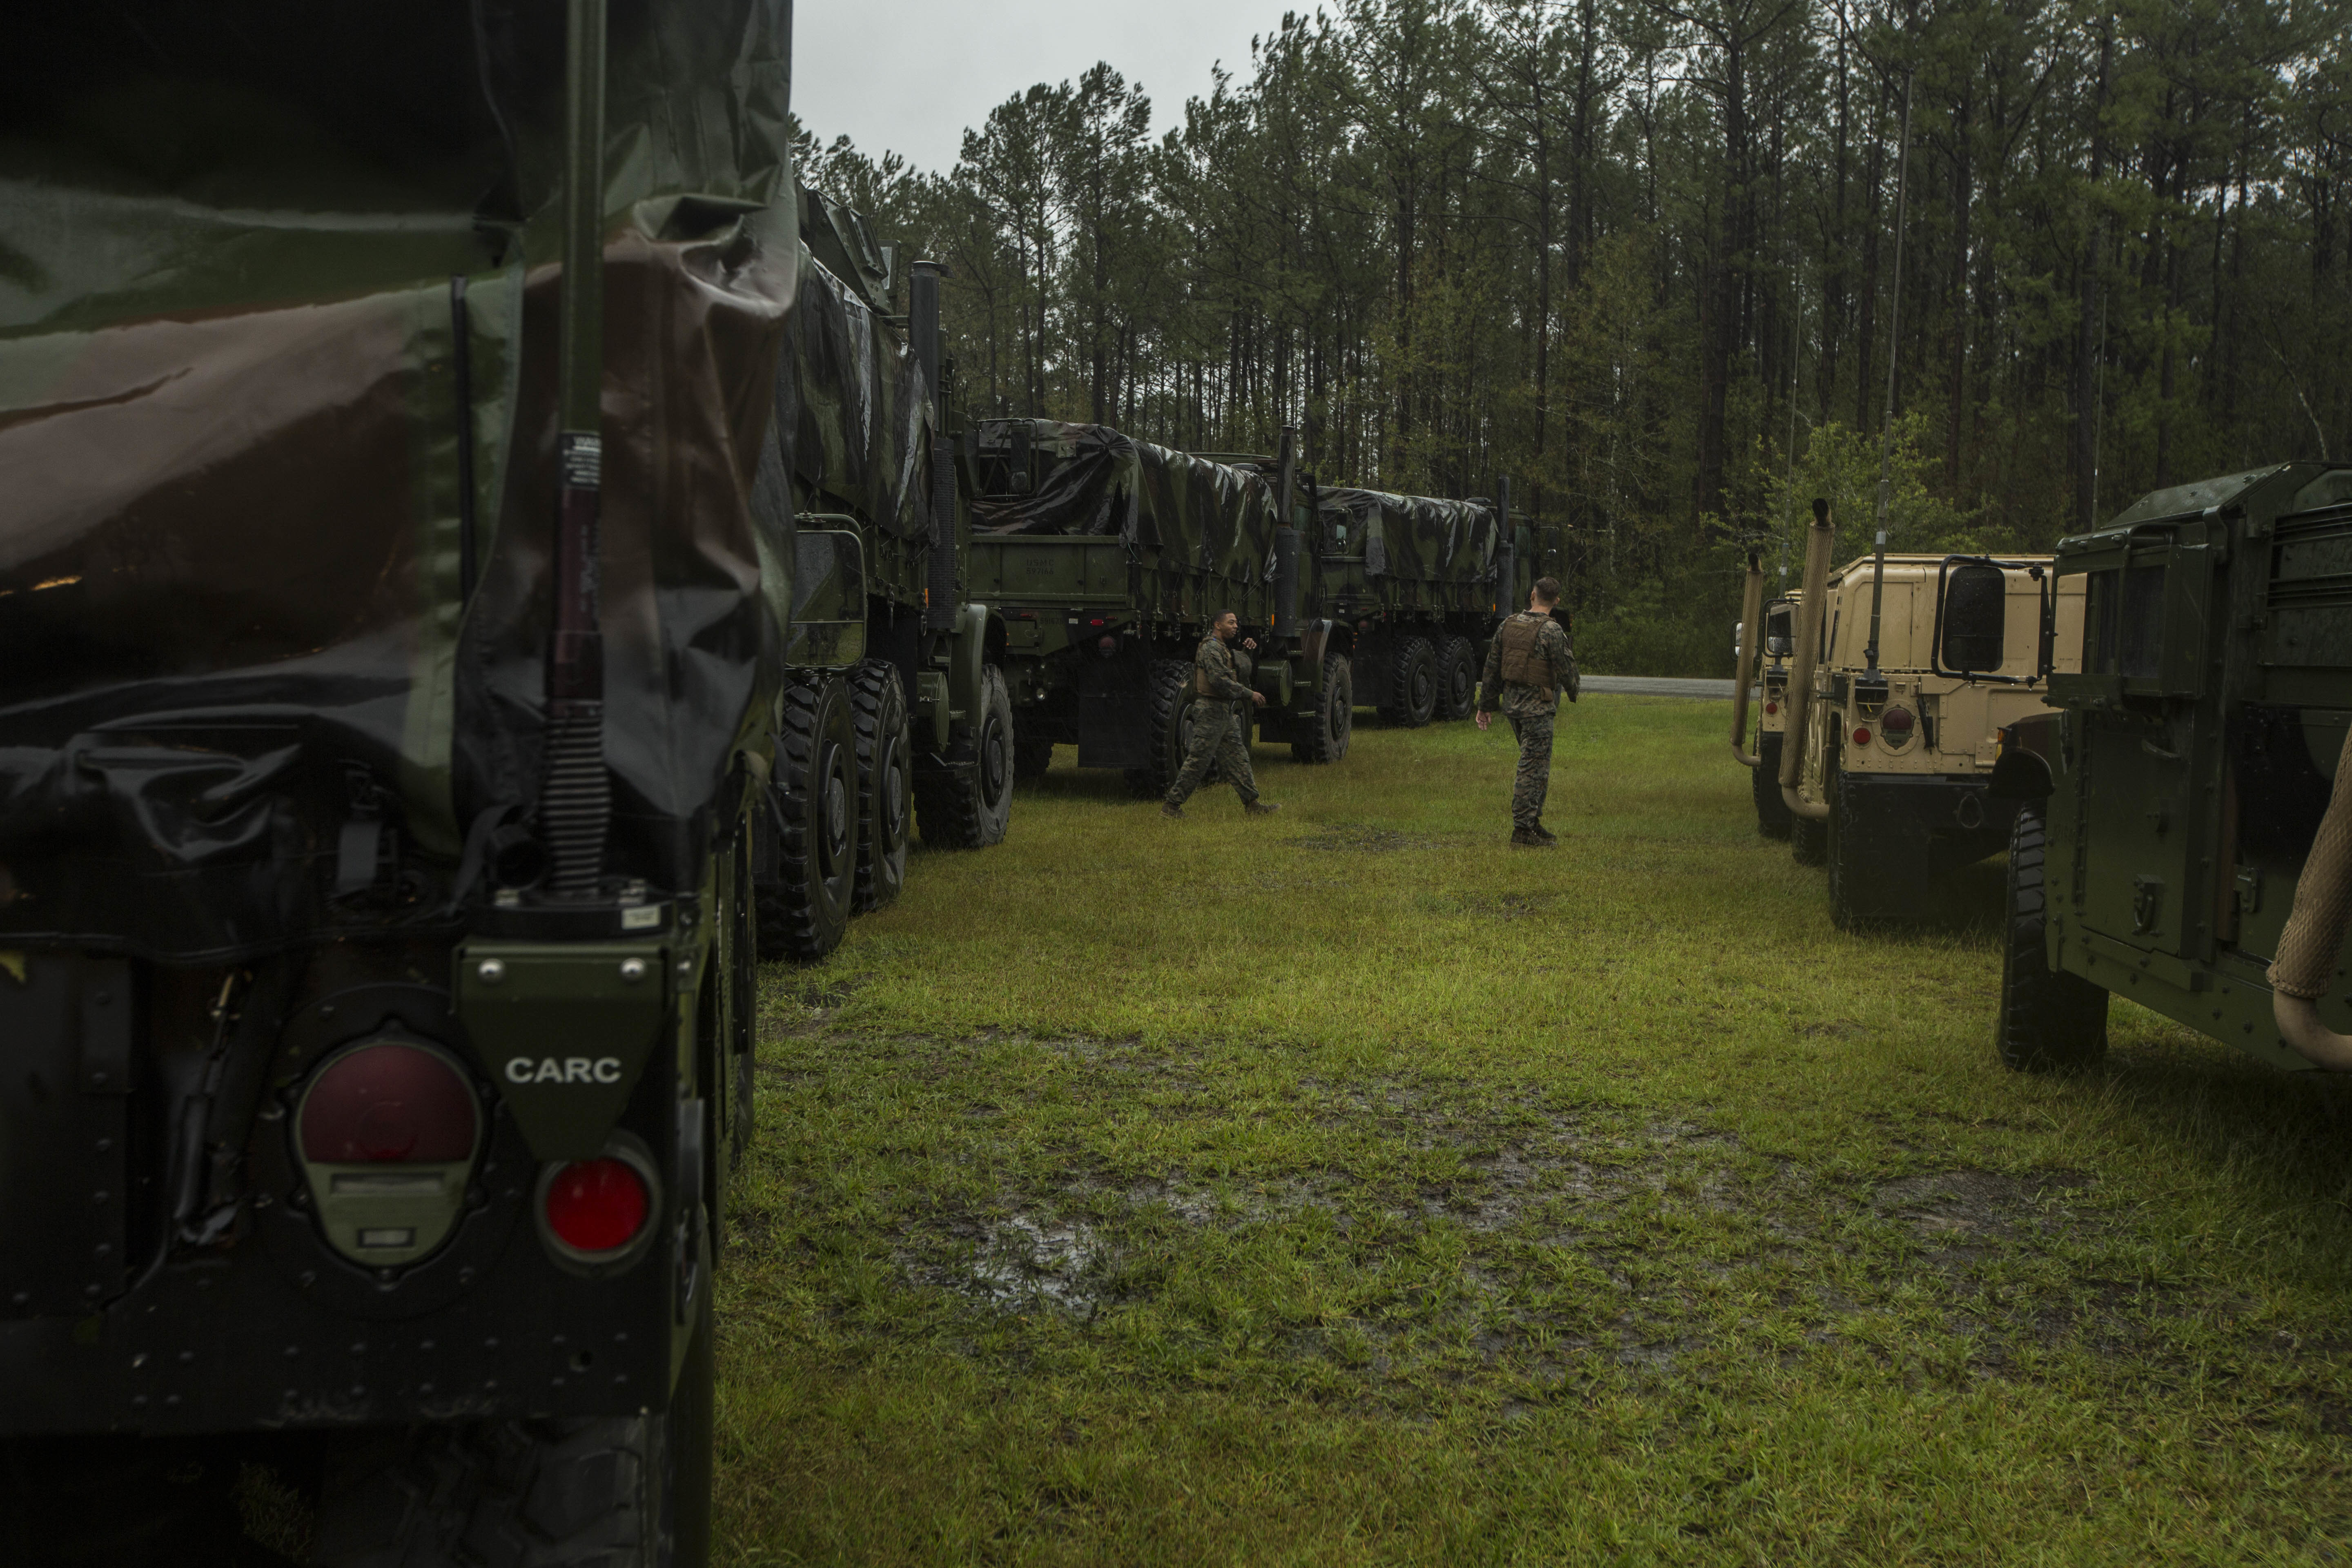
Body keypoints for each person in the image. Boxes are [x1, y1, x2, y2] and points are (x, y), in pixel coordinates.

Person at [1476, 577, 1577, 846]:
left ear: (1532, 596)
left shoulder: (1507, 625)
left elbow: (1491, 669)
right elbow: (1567, 669)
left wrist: (1485, 706)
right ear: (1556, 602)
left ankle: (1532, 823)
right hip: (1537, 711)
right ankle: (1522, 830)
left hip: (1513, 709)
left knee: (1536, 768)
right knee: (1532, 769)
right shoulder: (1552, 631)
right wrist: (1574, 690)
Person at [1163, 610, 1282, 819]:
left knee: (1238, 757)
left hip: (1222, 713)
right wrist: (1249, 694)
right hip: (1210, 712)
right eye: (1231, 622)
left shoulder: (1222, 649)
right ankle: (1172, 806)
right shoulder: (1210, 648)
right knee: (1198, 761)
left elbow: (1235, 673)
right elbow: (1220, 682)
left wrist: (1246, 654)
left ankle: (1252, 804)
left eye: (1236, 622)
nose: (1236, 626)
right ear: (1218, 626)